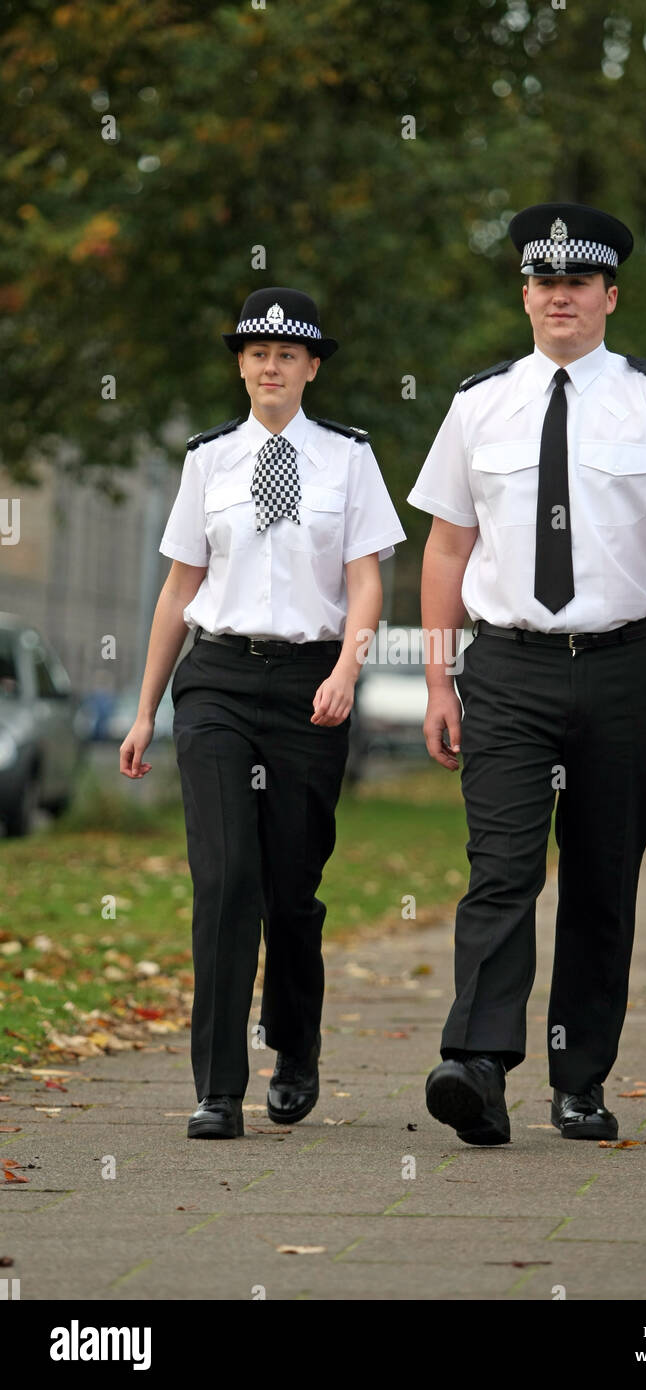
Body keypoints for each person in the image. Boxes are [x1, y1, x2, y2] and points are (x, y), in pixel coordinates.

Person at [407, 202, 646, 1146]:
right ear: (525, 293)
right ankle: (476, 1065)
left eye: (578, 283)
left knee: (598, 881)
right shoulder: (478, 405)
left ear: (609, 296)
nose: (560, 297)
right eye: (544, 282)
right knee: (500, 870)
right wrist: (436, 679)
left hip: (626, 666)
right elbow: (444, 548)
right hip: (506, 667)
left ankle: (579, 1078)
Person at [120, 287, 405, 1139]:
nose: (270, 366)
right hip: (215, 683)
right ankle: (217, 1088)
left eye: (287, 354)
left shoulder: (349, 458)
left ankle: (296, 1044)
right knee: (225, 880)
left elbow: (365, 581)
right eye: (256, 353)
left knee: (291, 888)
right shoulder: (207, 460)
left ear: (312, 366)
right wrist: (144, 713)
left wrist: (349, 671)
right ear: (240, 365)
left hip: (311, 686)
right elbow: (180, 588)